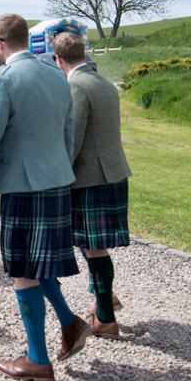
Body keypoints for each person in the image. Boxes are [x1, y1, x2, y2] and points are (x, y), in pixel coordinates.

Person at [0, 13, 88, 381]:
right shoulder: (56, 74)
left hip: (23, 186)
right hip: (56, 181)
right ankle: (70, 323)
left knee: (21, 269)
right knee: (36, 262)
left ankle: (37, 359)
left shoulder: (3, 79)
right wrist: (60, 170)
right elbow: (68, 131)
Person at [51, 29, 132, 338]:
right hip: (112, 172)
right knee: (93, 245)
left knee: (93, 248)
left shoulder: (76, 87)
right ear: (83, 53)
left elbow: (73, 141)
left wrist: (57, 176)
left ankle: (106, 320)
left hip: (89, 178)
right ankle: (105, 297)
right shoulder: (104, 83)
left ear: (58, 59)